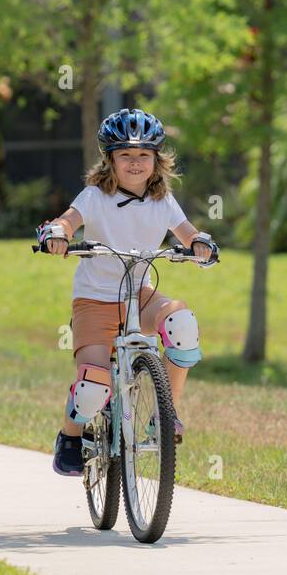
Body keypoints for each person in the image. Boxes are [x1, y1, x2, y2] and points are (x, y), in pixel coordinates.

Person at [37, 108, 219, 477]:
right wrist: (57, 235)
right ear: (110, 161)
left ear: (156, 160)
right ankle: (70, 438)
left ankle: (164, 414)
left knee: (182, 325)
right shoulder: (94, 197)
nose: (135, 163)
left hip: (141, 296)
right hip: (95, 302)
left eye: (143, 156)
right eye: (125, 156)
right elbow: (67, 221)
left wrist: (200, 244)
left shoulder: (162, 202)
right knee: (92, 387)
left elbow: (187, 233)